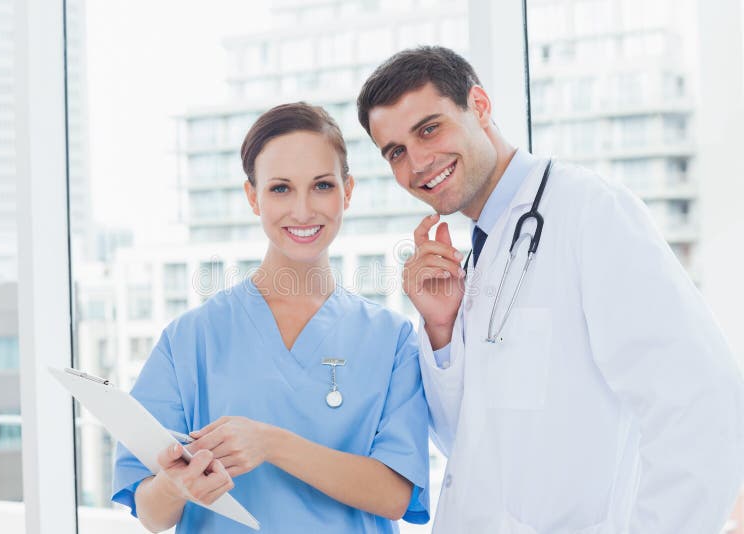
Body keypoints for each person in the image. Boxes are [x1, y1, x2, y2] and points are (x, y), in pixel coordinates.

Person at [356, 45, 744, 533]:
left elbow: (701, 402)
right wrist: (441, 326)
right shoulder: (481, 252)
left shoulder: (587, 212)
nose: (417, 162)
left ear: (479, 105)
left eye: (429, 129)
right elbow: (469, 442)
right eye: (395, 152)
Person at [112, 103, 429, 533]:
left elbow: (395, 495)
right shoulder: (192, 339)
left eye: (321, 185)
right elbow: (150, 512)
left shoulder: (391, 339)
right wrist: (176, 486)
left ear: (347, 191)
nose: (302, 210)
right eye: (280, 189)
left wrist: (270, 443)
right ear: (252, 197)